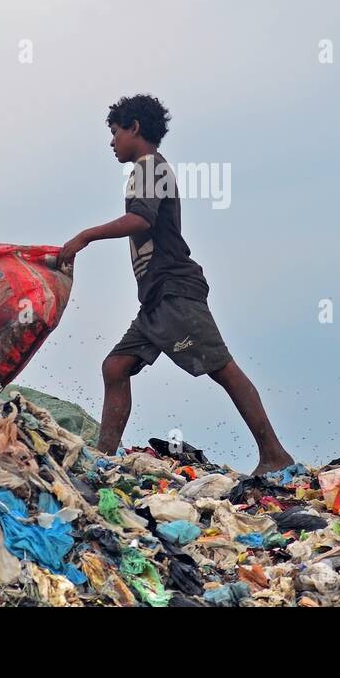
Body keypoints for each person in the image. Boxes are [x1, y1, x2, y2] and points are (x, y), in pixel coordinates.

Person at [60, 95, 294, 475]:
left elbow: (140, 220)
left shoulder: (149, 167)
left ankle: (274, 455)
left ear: (134, 127)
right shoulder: (148, 169)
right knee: (116, 367)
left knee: (222, 368)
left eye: (116, 132)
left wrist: (85, 236)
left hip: (174, 291)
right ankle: (103, 459)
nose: (112, 141)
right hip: (156, 300)